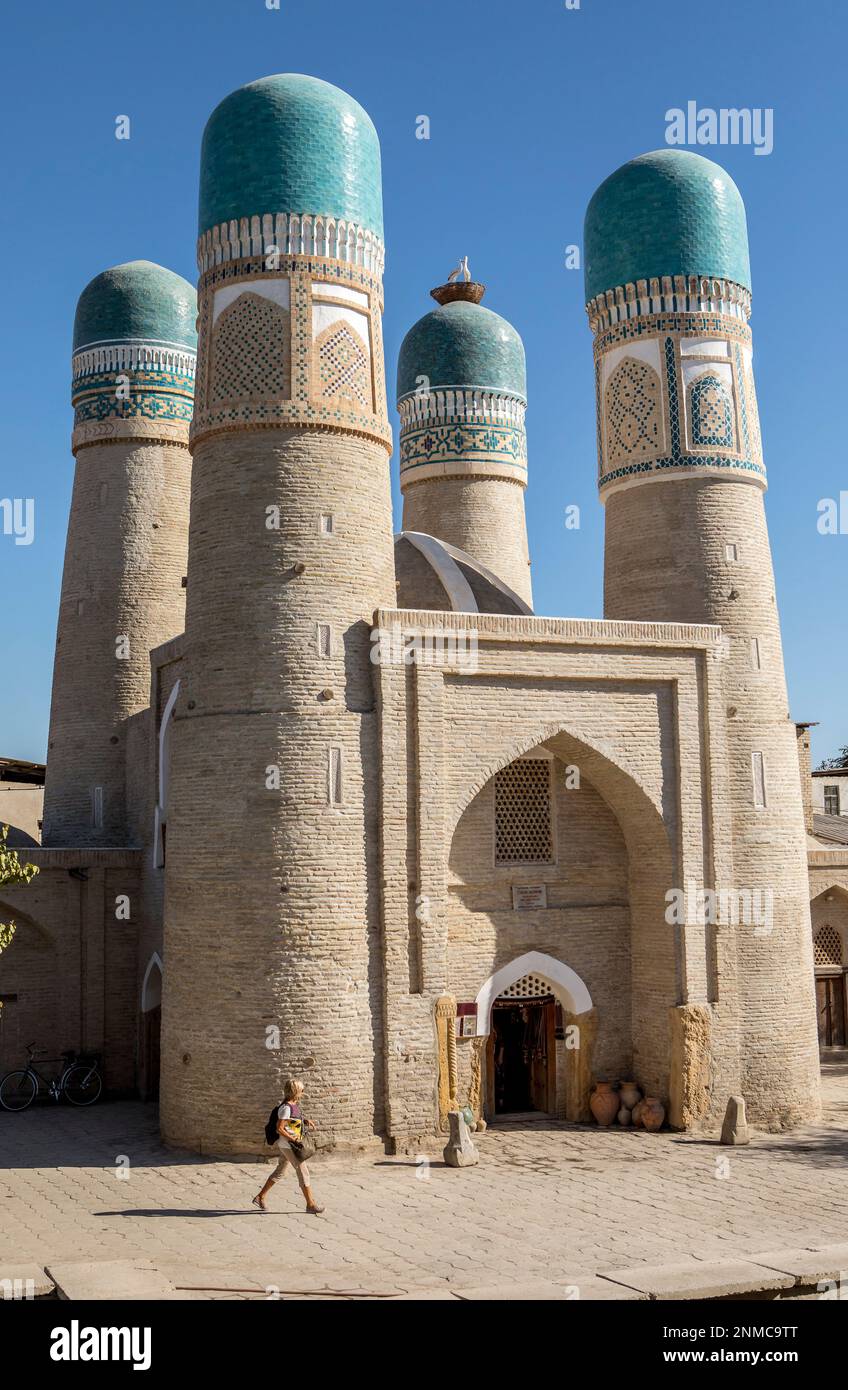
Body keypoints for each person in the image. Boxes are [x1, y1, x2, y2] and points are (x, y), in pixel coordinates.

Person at [252, 1077, 324, 1215]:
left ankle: (260, 1196)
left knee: (280, 1171)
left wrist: (306, 1121)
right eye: (301, 1090)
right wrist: (294, 1139)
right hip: (289, 1145)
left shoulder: (293, 1104)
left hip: (287, 1145)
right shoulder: (285, 1108)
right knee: (303, 1172)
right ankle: (310, 1204)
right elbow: (280, 1128)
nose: (303, 1092)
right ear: (296, 1090)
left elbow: (293, 1121)